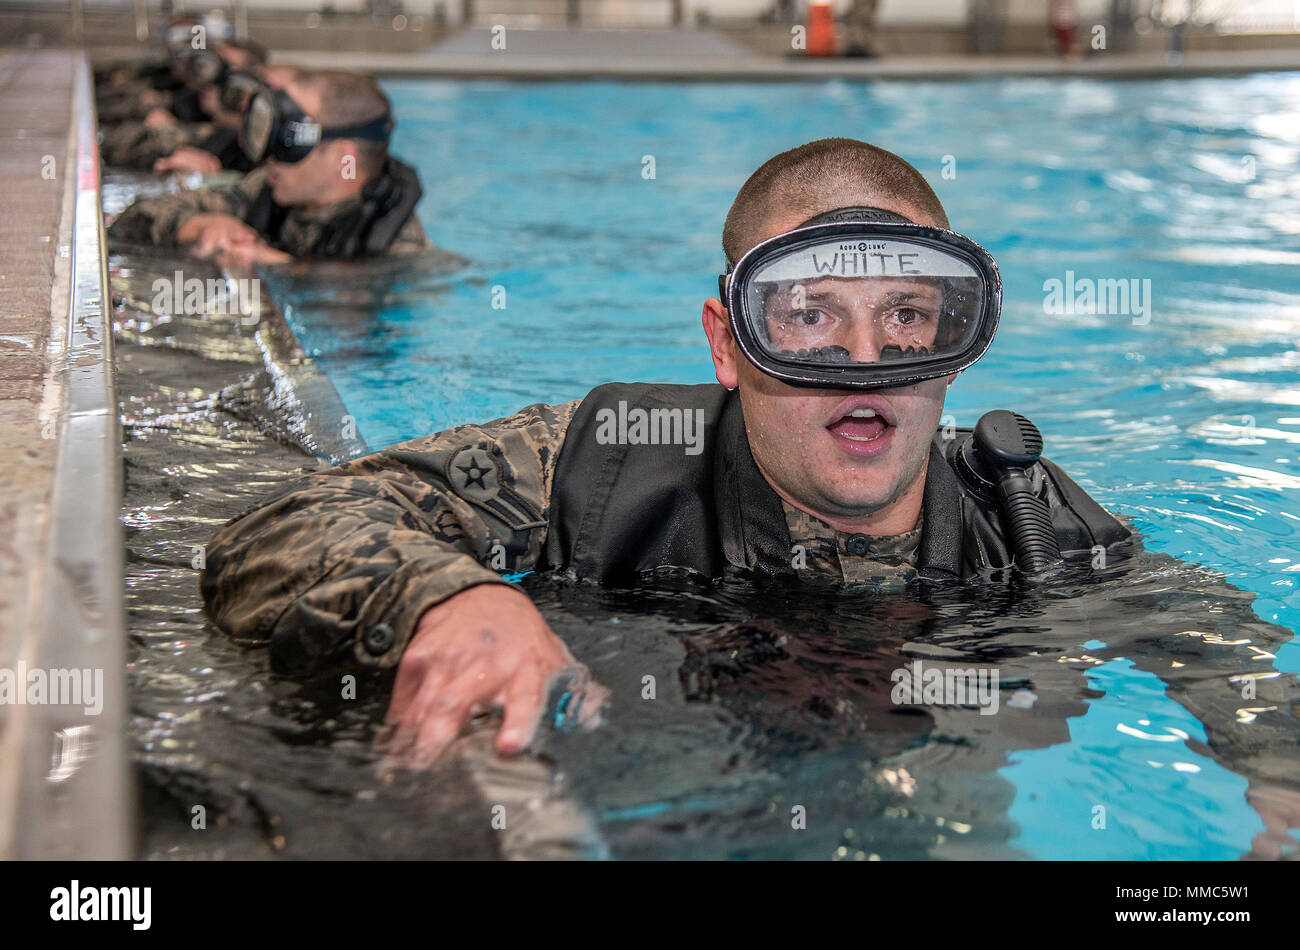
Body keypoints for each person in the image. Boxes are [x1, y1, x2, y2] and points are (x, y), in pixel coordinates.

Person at [198, 138, 1142, 772]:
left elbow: (1209, 645)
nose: (865, 367)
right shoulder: (605, 462)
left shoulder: (1026, 515)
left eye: (907, 317)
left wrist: (1275, 772)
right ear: (727, 346)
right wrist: (450, 597)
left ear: (956, 338)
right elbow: (278, 527)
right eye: (808, 317)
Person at [108, 69, 431, 266]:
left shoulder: (398, 247)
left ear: (343, 158)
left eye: (287, 140)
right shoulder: (267, 191)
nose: (268, 156)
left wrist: (281, 271)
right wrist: (201, 225)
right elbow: (134, 218)